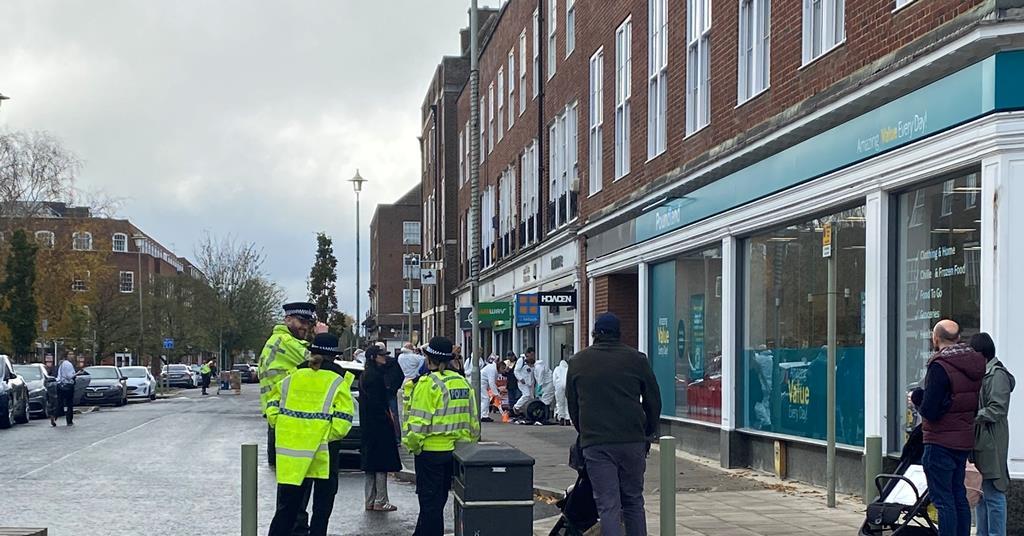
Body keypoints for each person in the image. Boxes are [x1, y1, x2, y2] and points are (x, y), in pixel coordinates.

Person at [566, 312, 661, 536]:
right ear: (619, 334)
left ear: (594, 334)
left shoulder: (578, 361)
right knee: (633, 501)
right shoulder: (637, 359)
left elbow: (573, 406)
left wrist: (585, 431)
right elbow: (653, 401)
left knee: (608, 504)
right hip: (632, 441)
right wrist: (646, 431)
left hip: (596, 443)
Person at [266, 333, 355, 536]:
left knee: (287, 508)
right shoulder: (337, 380)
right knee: (322, 508)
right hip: (324, 450)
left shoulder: (292, 376)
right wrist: (325, 436)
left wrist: (279, 424)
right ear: (333, 357)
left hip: (293, 451)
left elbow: (272, 403)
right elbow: (343, 419)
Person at [910, 319, 986, 536]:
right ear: (958, 338)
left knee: (944, 500)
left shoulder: (939, 366)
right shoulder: (974, 363)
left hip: (939, 440)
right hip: (963, 439)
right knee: (958, 495)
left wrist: (916, 397)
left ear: (936, 339)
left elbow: (931, 410)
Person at [403, 337, 480, 536]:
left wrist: (413, 445)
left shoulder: (428, 384)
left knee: (430, 505)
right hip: (456, 453)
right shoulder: (462, 382)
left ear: (430, 359)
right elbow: (473, 421)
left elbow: (418, 423)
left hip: (430, 453)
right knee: (438, 501)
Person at [259, 301, 322, 467]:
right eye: (301, 321)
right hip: (286, 414)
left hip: (281, 414)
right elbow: (318, 362)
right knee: (294, 475)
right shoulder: (284, 341)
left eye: (308, 323)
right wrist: (322, 336)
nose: (305, 327)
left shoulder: (281, 340)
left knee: (289, 475)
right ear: (287, 320)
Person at [969, 332, 1015, 536]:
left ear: (981, 355)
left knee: (994, 492)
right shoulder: (984, 373)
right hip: (981, 438)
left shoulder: (996, 375)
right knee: (981, 492)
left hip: (991, 440)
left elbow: (997, 408)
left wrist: (972, 416)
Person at [360, 345, 403, 511]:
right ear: (373, 357)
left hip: (368, 427)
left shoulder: (365, 375)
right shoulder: (376, 377)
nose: (385, 358)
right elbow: (380, 402)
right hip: (380, 425)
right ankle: (381, 500)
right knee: (381, 464)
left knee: (370, 465)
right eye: (381, 355)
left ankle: (369, 500)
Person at [513, 348, 541, 418]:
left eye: (533, 355)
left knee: (531, 398)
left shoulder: (533, 362)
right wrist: (520, 378)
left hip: (530, 383)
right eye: (531, 355)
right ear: (527, 354)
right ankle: (516, 407)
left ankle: (525, 411)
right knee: (526, 395)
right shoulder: (521, 360)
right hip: (523, 382)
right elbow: (516, 371)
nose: (532, 356)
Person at [53, 354, 78, 427]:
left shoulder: (61, 365)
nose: (72, 356)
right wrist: (78, 373)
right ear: (67, 356)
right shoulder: (68, 364)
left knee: (59, 402)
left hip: (60, 385)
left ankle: (54, 416)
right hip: (68, 386)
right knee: (69, 404)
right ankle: (69, 420)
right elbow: (70, 376)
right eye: (70, 355)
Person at [479, 358, 507, 422]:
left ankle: (482, 415)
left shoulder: (494, 369)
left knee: (484, 399)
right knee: (485, 399)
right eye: (503, 369)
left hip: (483, 384)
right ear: (500, 367)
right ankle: (483, 416)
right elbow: (491, 382)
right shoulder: (492, 370)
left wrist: (496, 391)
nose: (503, 371)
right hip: (481, 384)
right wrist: (497, 394)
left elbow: (492, 383)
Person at [552, 357, 570, 425]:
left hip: (559, 386)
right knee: (567, 403)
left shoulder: (557, 369)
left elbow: (554, 379)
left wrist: (555, 387)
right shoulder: (568, 369)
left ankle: (561, 419)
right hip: (567, 385)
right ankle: (568, 419)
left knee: (560, 403)